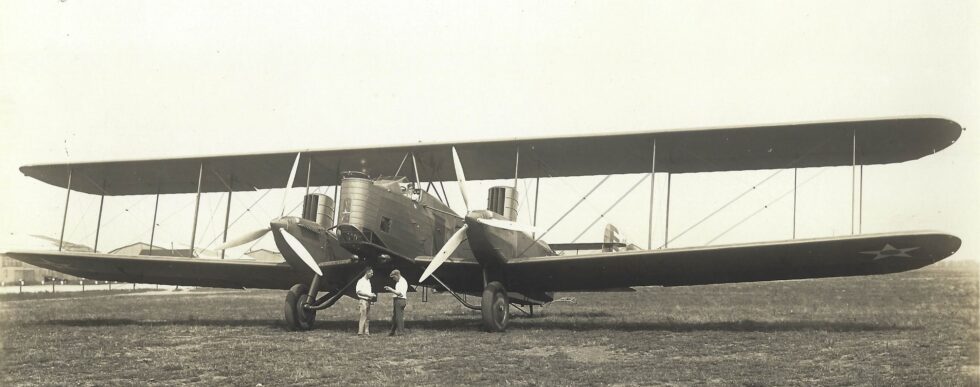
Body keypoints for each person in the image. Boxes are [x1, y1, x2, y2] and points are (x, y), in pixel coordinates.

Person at [384, 269, 408, 336]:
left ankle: (401, 332)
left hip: (400, 300)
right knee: (395, 317)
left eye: (394, 277)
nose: (393, 279)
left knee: (398, 317)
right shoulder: (399, 282)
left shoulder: (402, 282)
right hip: (397, 300)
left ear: (397, 275)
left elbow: (400, 293)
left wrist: (390, 289)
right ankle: (392, 332)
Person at [355, 268, 376, 336]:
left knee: (367, 317)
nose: (372, 274)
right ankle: (360, 332)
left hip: (368, 301)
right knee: (363, 316)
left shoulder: (368, 281)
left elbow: (368, 291)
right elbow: (358, 291)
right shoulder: (361, 281)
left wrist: (371, 296)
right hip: (363, 300)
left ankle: (367, 332)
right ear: (367, 272)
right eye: (371, 273)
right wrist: (368, 295)